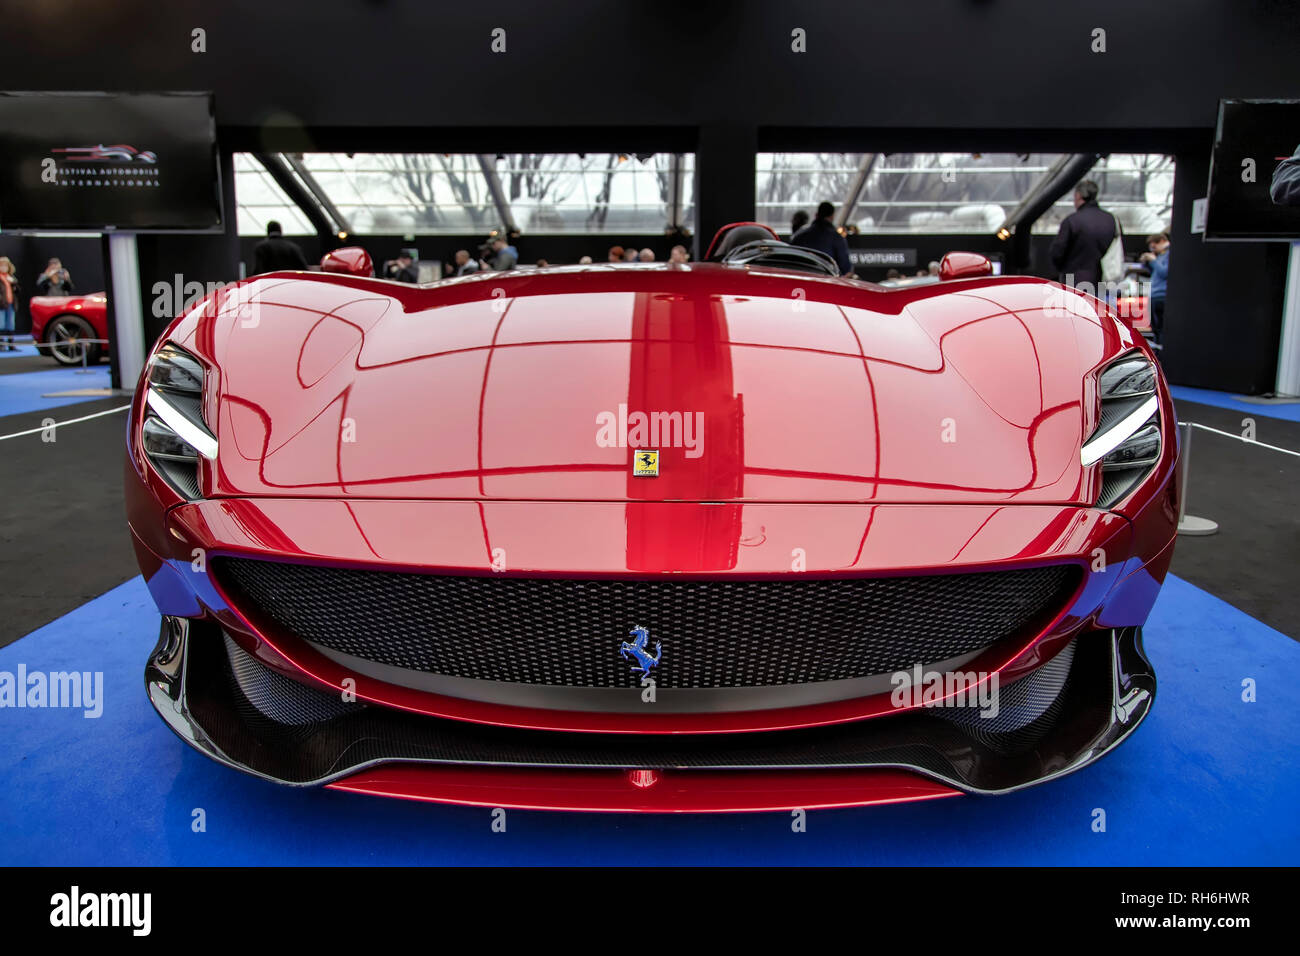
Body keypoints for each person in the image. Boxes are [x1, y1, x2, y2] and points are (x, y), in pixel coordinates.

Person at [1049, 180, 1117, 290]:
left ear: (1078, 195)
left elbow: (1057, 252)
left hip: (1074, 281)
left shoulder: (1072, 221)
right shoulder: (1112, 220)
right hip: (1105, 280)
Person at [791, 201, 853, 275]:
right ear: (832, 216)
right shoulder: (836, 237)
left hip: (802, 279)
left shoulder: (799, 236)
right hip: (827, 280)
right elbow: (845, 267)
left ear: (817, 215)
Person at [1140, 232, 1170, 348]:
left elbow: (1164, 273)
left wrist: (1153, 260)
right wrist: (1147, 263)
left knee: (1162, 328)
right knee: (1155, 328)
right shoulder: (1159, 256)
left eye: (1154, 246)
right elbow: (1155, 273)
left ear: (1162, 241)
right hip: (1154, 295)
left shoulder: (1169, 255)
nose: (1153, 249)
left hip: (1162, 296)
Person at [0, 256, 18, 351]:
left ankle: (11, 344)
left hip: (11, 304)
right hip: (1, 305)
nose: (3, 267)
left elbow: (18, 290)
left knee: (10, 324)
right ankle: (1, 344)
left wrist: (14, 283)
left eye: (5, 266)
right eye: (1, 265)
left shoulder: (11, 277)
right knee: (1, 324)